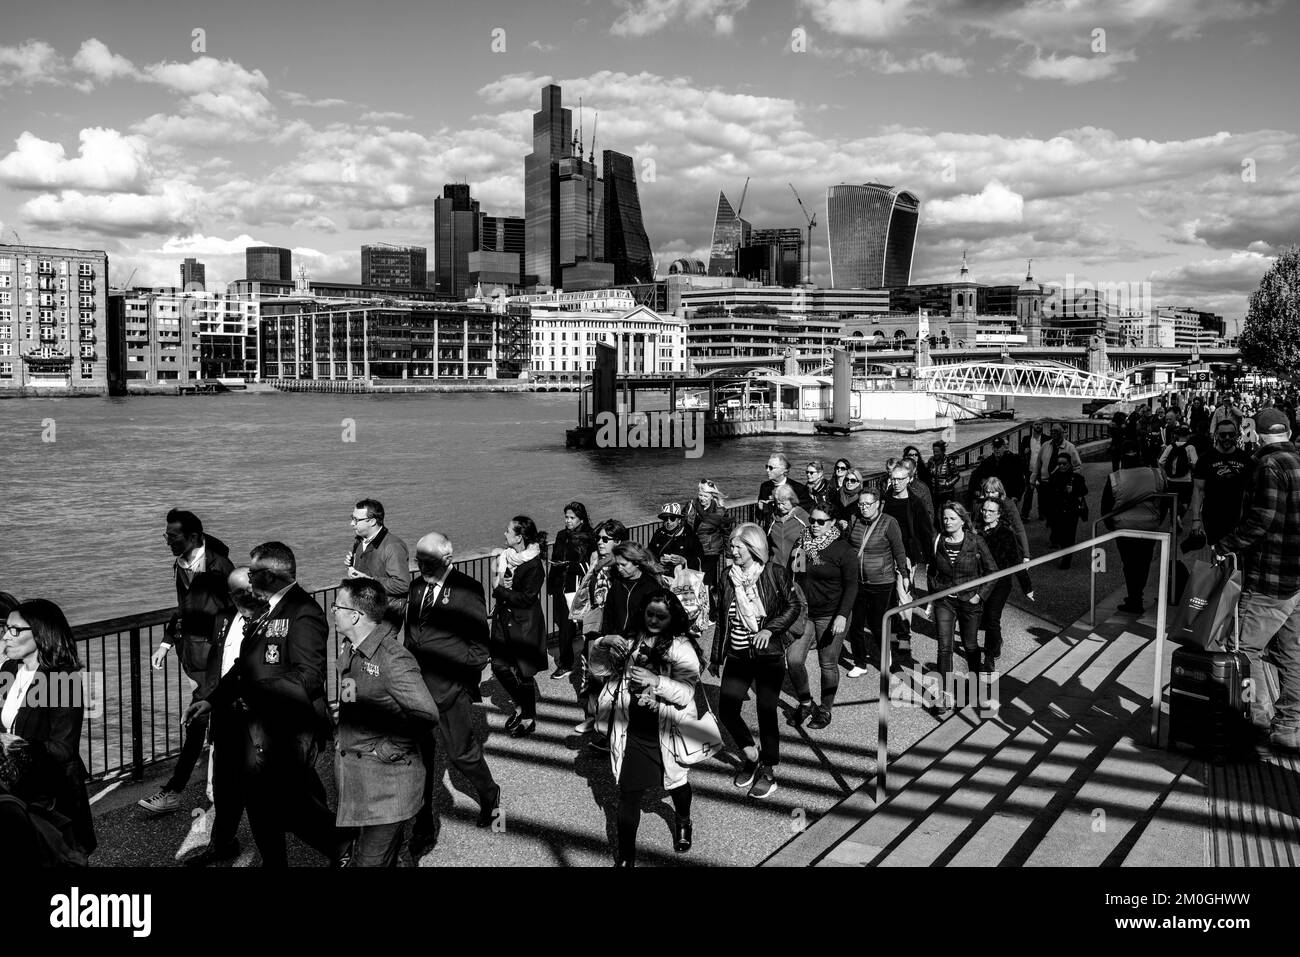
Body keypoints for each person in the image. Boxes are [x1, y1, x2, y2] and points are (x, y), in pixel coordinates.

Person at [185, 541, 340, 868]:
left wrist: (257, 689)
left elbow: (309, 677)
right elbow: (242, 667)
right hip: (253, 733)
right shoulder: (266, 610)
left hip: (284, 734)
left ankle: (346, 848)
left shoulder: (303, 612)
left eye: (254, 572)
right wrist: (212, 701)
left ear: (270, 575)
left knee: (293, 810)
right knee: (262, 812)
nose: (249, 578)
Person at [590, 589, 704, 865]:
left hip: (667, 729)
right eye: (650, 613)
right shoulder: (632, 641)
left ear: (671, 617)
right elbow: (598, 669)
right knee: (628, 794)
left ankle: (683, 820)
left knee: (677, 783)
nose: (653, 620)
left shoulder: (681, 647)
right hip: (633, 729)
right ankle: (626, 858)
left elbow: (687, 693)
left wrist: (656, 681)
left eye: (661, 616)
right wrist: (603, 641)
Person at [405, 532, 499, 859]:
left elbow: (479, 647)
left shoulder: (467, 589)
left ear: (448, 557)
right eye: (419, 561)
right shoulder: (416, 587)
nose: (421, 567)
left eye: (427, 561)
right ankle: (423, 826)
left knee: (460, 755)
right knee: (420, 761)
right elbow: (412, 637)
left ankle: (490, 795)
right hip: (416, 688)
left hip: (451, 690)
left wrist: (461, 683)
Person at [333, 577, 438, 867]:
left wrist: (387, 749)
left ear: (355, 615)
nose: (333, 612)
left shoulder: (393, 658)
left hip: (388, 788)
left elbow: (426, 714)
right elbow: (354, 694)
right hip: (359, 782)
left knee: (369, 862)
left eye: (337, 606)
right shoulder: (349, 648)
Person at [1212, 408, 1300, 753]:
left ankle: (1256, 723)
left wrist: (1225, 544)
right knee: (1291, 653)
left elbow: (1262, 519)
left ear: (1254, 434)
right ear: (1288, 431)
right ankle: (1290, 728)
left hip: (1269, 578)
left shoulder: (1267, 466)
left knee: (1241, 648)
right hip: (1296, 579)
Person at [140, 508, 234, 816]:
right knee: (207, 720)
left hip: (217, 657)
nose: (168, 541)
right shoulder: (180, 564)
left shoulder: (220, 566)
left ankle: (176, 790)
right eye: (166, 535)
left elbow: (233, 611)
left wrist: (229, 651)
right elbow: (183, 608)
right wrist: (167, 643)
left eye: (173, 536)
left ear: (194, 536)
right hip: (192, 655)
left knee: (200, 719)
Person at [709, 523, 804, 800]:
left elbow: (793, 606)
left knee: (766, 710)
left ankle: (768, 769)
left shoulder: (773, 573)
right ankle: (751, 754)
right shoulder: (728, 576)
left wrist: (769, 628)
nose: (733, 551)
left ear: (753, 548)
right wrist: (716, 657)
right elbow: (723, 620)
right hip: (738, 653)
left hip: (768, 654)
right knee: (727, 708)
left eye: (738, 546)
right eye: (732, 546)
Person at [182, 567, 265, 867]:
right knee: (224, 788)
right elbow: (219, 665)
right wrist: (207, 700)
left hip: (258, 719)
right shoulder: (223, 619)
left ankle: (330, 839)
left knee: (273, 793)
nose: (245, 597)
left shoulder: (271, 622)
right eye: (237, 592)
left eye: (249, 590)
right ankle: (223, 843)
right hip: (225, 715)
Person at [1, 598, 96, 856]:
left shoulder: (63, 680)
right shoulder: (10, 669)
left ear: (41, 633)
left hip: (51, 793)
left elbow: (64, 748)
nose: (6, 637)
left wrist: (21, 745)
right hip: (16, 787)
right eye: (5, 628)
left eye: (15, 630)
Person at [786, 505, 857, 729]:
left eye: (821, 522)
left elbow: (852, 586)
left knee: (827, 663)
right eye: (812, 521)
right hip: (805, 613)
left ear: (832, 522)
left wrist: (842, 616)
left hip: (831, 614)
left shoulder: (843, 550)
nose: (815, 526)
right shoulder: (801, 544)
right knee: (794, 660)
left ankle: (825, 709)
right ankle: (806, 703)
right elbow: (794, 577)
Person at [928, 503, 998, 717]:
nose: (947, 522)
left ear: (962, 520)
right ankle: (943, 695)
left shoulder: (975, 541)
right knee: (944, 647)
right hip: (945, 602)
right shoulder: (938, 540)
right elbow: (932, 571)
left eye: (951, 518)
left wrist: (980, 596)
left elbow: (992, 571)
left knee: (970, 645)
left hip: (970, 601)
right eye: (945, 518)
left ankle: (976, 686)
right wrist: (933, 596)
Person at [570, 519, 630, 744]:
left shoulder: (621, 566)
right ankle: (594, 717)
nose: (600, 542)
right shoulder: (598, 562)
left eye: (606, 539)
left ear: (618, 541)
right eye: (599, 538)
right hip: (595, 624)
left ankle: (609, 724)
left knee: (611, 675)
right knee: (593, 674)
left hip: (612, 627)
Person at [490, 516, 547, 739]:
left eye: (508, 531)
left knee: (523, 672)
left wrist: (500, 590)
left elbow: (526, 598)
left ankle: (528, 715)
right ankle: (524, 705)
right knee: (499, 666)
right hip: (504, 622)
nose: (504, 534)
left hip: (524, 625)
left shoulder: (534, 566)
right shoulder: (507, 557)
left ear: (519, 537)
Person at [844, 489, 910, 679]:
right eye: (861, 504)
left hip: (882, 581)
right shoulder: (854, 519)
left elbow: (899, 551)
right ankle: (859, 662)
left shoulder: (889, 522)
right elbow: (849, 546)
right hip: (858, 581)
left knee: (877, 623)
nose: (863, 508)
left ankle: (887, 657)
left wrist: (904, 574)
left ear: (877, 504)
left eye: (867, 504)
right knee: (855, 624)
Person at [1101, 442, 1169, 615]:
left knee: (1129, 564)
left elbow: (1105, 507)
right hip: (1149, 526)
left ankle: (1134, 597)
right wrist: (1157, 519)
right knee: (1143, 563)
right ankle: (1137, 595)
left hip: (1124, 529)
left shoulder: (1115, 478)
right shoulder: (1156, 474)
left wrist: (1112, 526)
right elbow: (1165, 502)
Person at [976, 497, 1033, 672]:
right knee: (982, 618)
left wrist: (1027, 588)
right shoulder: (975, 530)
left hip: (1000, 583)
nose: (986, 513)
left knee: (993, 617)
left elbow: (1016, 561)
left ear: (999, 514)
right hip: (979, 581)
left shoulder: (1006, 533)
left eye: (991, 511)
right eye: (984, 510)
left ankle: (989, 656)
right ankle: (997, 639)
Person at [547, 502, 595, 681]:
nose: (568, 521)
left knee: (585, 625)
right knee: (564, 625)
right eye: (566, 517)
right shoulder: (561, 535)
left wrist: (570, 565)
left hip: (579, 587)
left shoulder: (590, 537)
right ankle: (566, 663)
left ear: (580, 518)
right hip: (561, 585)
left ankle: (589, 660)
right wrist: (552, 584)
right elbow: (555, 558)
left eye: (571, 518)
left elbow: (592, 565)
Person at [1188, 419, 1253, 547]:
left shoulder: (1245, 459)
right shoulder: (1205, 459)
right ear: (1217, 435)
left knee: (1236, 556)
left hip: (1239, 518)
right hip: (1213, 516)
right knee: (1218, 553)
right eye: (1223, 435)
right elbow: (1198, 490)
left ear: (1236, 435)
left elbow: (1250, 490)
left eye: (1231, 434)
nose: (1227, 438)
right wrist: (1196, 519)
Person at [345, 498, 410, 620]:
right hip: (364, 611)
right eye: (352, 518)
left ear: (372, 521)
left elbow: (402, 584)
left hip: (385, 615)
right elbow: (368, 570)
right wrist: (352, 565)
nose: (352, 523)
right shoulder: (360, 541)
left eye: (356, 520)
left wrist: (369, 580)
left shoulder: (393, 546)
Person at [682, 480, 732, 609]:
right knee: (692, 582)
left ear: (712, 496)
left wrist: (729, 555)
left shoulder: (720, 511)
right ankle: (704, 611)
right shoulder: (691, 506)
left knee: (705, 582)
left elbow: (726, 533)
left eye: (705, 496)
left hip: (711, 550)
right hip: (693, 550)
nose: (702, 498)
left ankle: (709, 613)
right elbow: (682, 524)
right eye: (700, 495)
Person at [600, 542, 663, 640]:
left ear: (636, 563)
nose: (619, 569)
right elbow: (608, 616)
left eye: (623, 565)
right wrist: (607, 637)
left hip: (639, 644)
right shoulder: (617, 584)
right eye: (617, 564)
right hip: (616, 643)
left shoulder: (651, 586)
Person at [1045, 452, 1089, 568]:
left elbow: (1084, 491)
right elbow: (1049, 495)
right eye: (1059, 464)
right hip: (1057, 511)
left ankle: (1066, 560)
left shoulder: (1076, 478)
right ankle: (1064, 551)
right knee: (1059, 535)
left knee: (1069, 536)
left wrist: (1073, 491)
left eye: (1064, 463)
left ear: (1069, 464)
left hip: (1071, 511)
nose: (1062, 466)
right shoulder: (1054, 477)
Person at [1033, 424, 1082, 524]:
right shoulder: (1045, 446)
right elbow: (1038, 463)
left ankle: (1056, 528)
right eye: (1052, 431)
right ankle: (1052, 522)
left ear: (1062, 434)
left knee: (1058, 509)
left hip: (1061, 485)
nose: (1054, 434)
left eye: (1056, 432)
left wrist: (1072, 482)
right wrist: (1033, 479)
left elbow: (1077, 466)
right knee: (1045, 508)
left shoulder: (1070, 447)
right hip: (1045, 483)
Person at [967, 437, 1029, 510]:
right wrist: (976, 490)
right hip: (992, 498)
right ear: (992, 448)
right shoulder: (987, 462)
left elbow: (1019, 479)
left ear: (1004, 447)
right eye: (995, 447)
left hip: (1008, 497)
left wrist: (1017, 496)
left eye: (999, 447)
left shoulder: (1013, 460)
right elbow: (975, 476)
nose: (997, 450)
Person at [648, 502, 704, 573]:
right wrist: (659, 559)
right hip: (661, 575)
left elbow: (700, 558)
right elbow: (648, 554)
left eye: (672, 518)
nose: (668, 522)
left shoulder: (689, 535)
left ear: (679, 520)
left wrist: (684, 560)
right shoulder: (658, 533)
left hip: (682, 578)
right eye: (665, 519)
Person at [765, 484, 809, 571]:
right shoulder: (773, 518)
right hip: (776, 568)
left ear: (792, 500)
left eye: (783, 504)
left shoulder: (803, 517)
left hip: (797, 568)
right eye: (778, 503)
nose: (780, 507)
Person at [758, 453, 809, 525]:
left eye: (771, 468)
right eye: (767, 466)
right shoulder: (765, 487)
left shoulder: (798, 489)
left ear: (783, 470)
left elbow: (808, 511)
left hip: (793, 530)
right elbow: (759, 516)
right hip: (771, 530)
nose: (767, 470)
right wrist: (760, 509)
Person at [1020, 421, 1047, 518]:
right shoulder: (1026, 439)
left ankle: (1042, 513)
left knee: (1042, 493)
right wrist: (1024, 452)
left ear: (1042, 426)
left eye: (1040, 424)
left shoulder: (1047, 439)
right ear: (1032, 426)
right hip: (1029, 470)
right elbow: (1021, 455)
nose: (1038, 426)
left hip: (1042, 470)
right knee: (1028, 493)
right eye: (1036, 424)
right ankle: (1025, 514)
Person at [927, 440, 961, 517]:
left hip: (947, 493)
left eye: (937, 452)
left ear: (942, 451)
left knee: (945, 512)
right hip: (934, 492)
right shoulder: (931, 461)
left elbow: (957, 476)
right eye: (934, 451)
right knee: (934, 513)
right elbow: (928, 475)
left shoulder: (949, 461)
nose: (935, 454)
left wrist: (947, 484)